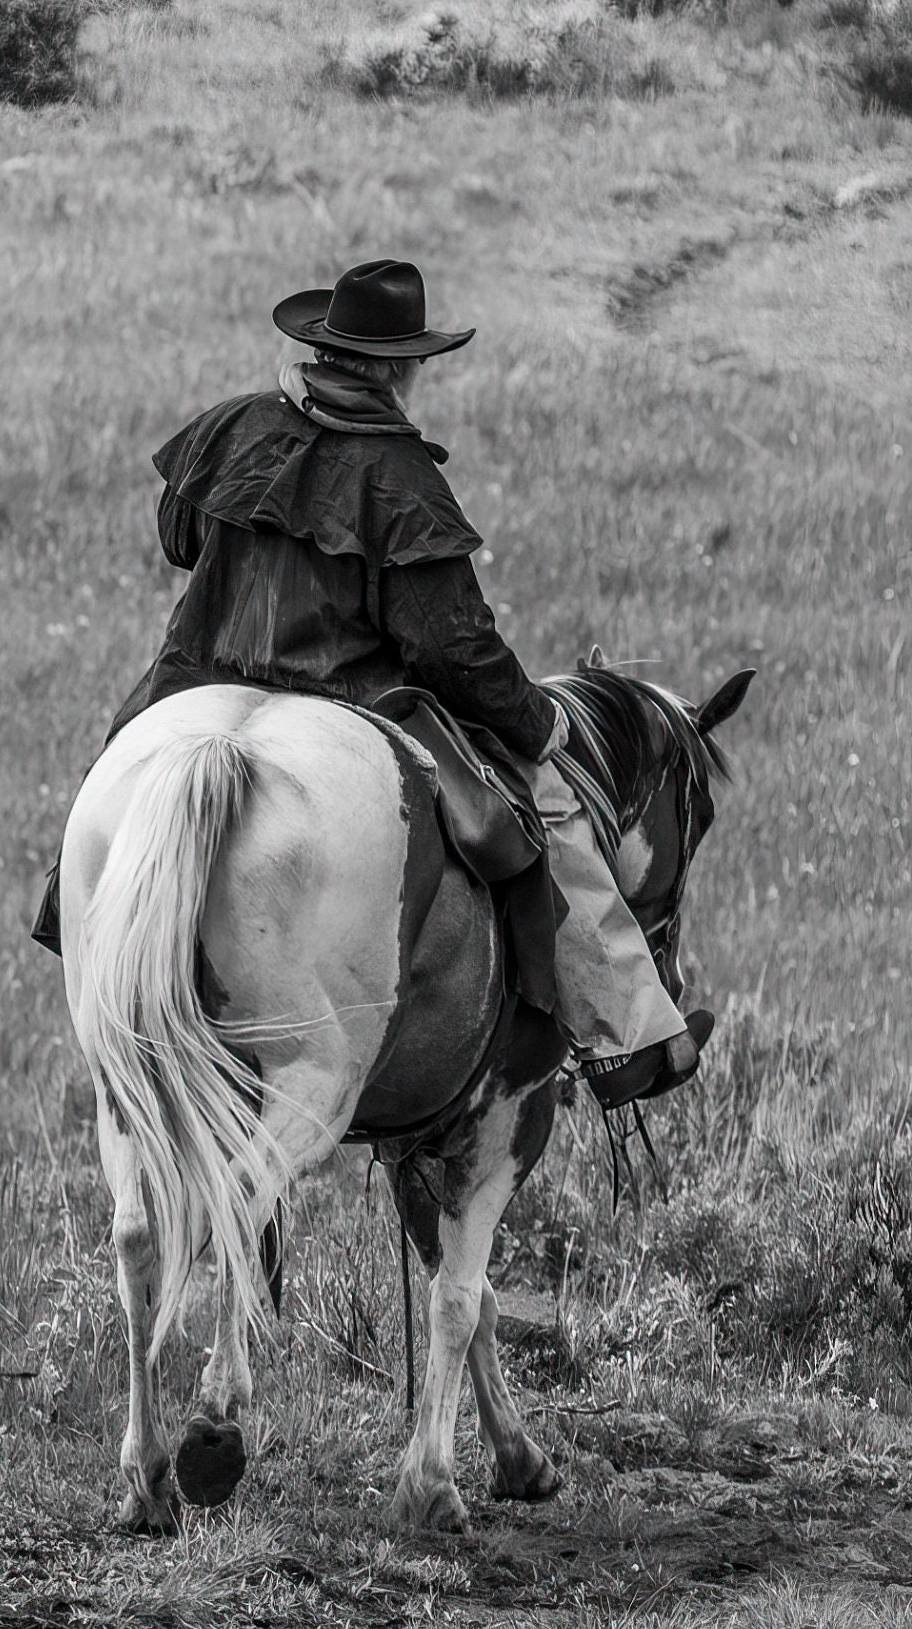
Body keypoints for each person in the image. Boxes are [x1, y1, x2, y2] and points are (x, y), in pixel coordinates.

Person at [49, 258, 704, 1109]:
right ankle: (629, 1035)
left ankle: (88, 928)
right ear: (402, 368)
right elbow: (454, 648)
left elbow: (178, 533)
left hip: (194, 680)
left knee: (123, 782)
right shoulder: (402, 481)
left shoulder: (233, 428)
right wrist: (539, 722)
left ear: (324, 348)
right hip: (355, 703)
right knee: (547, 806)